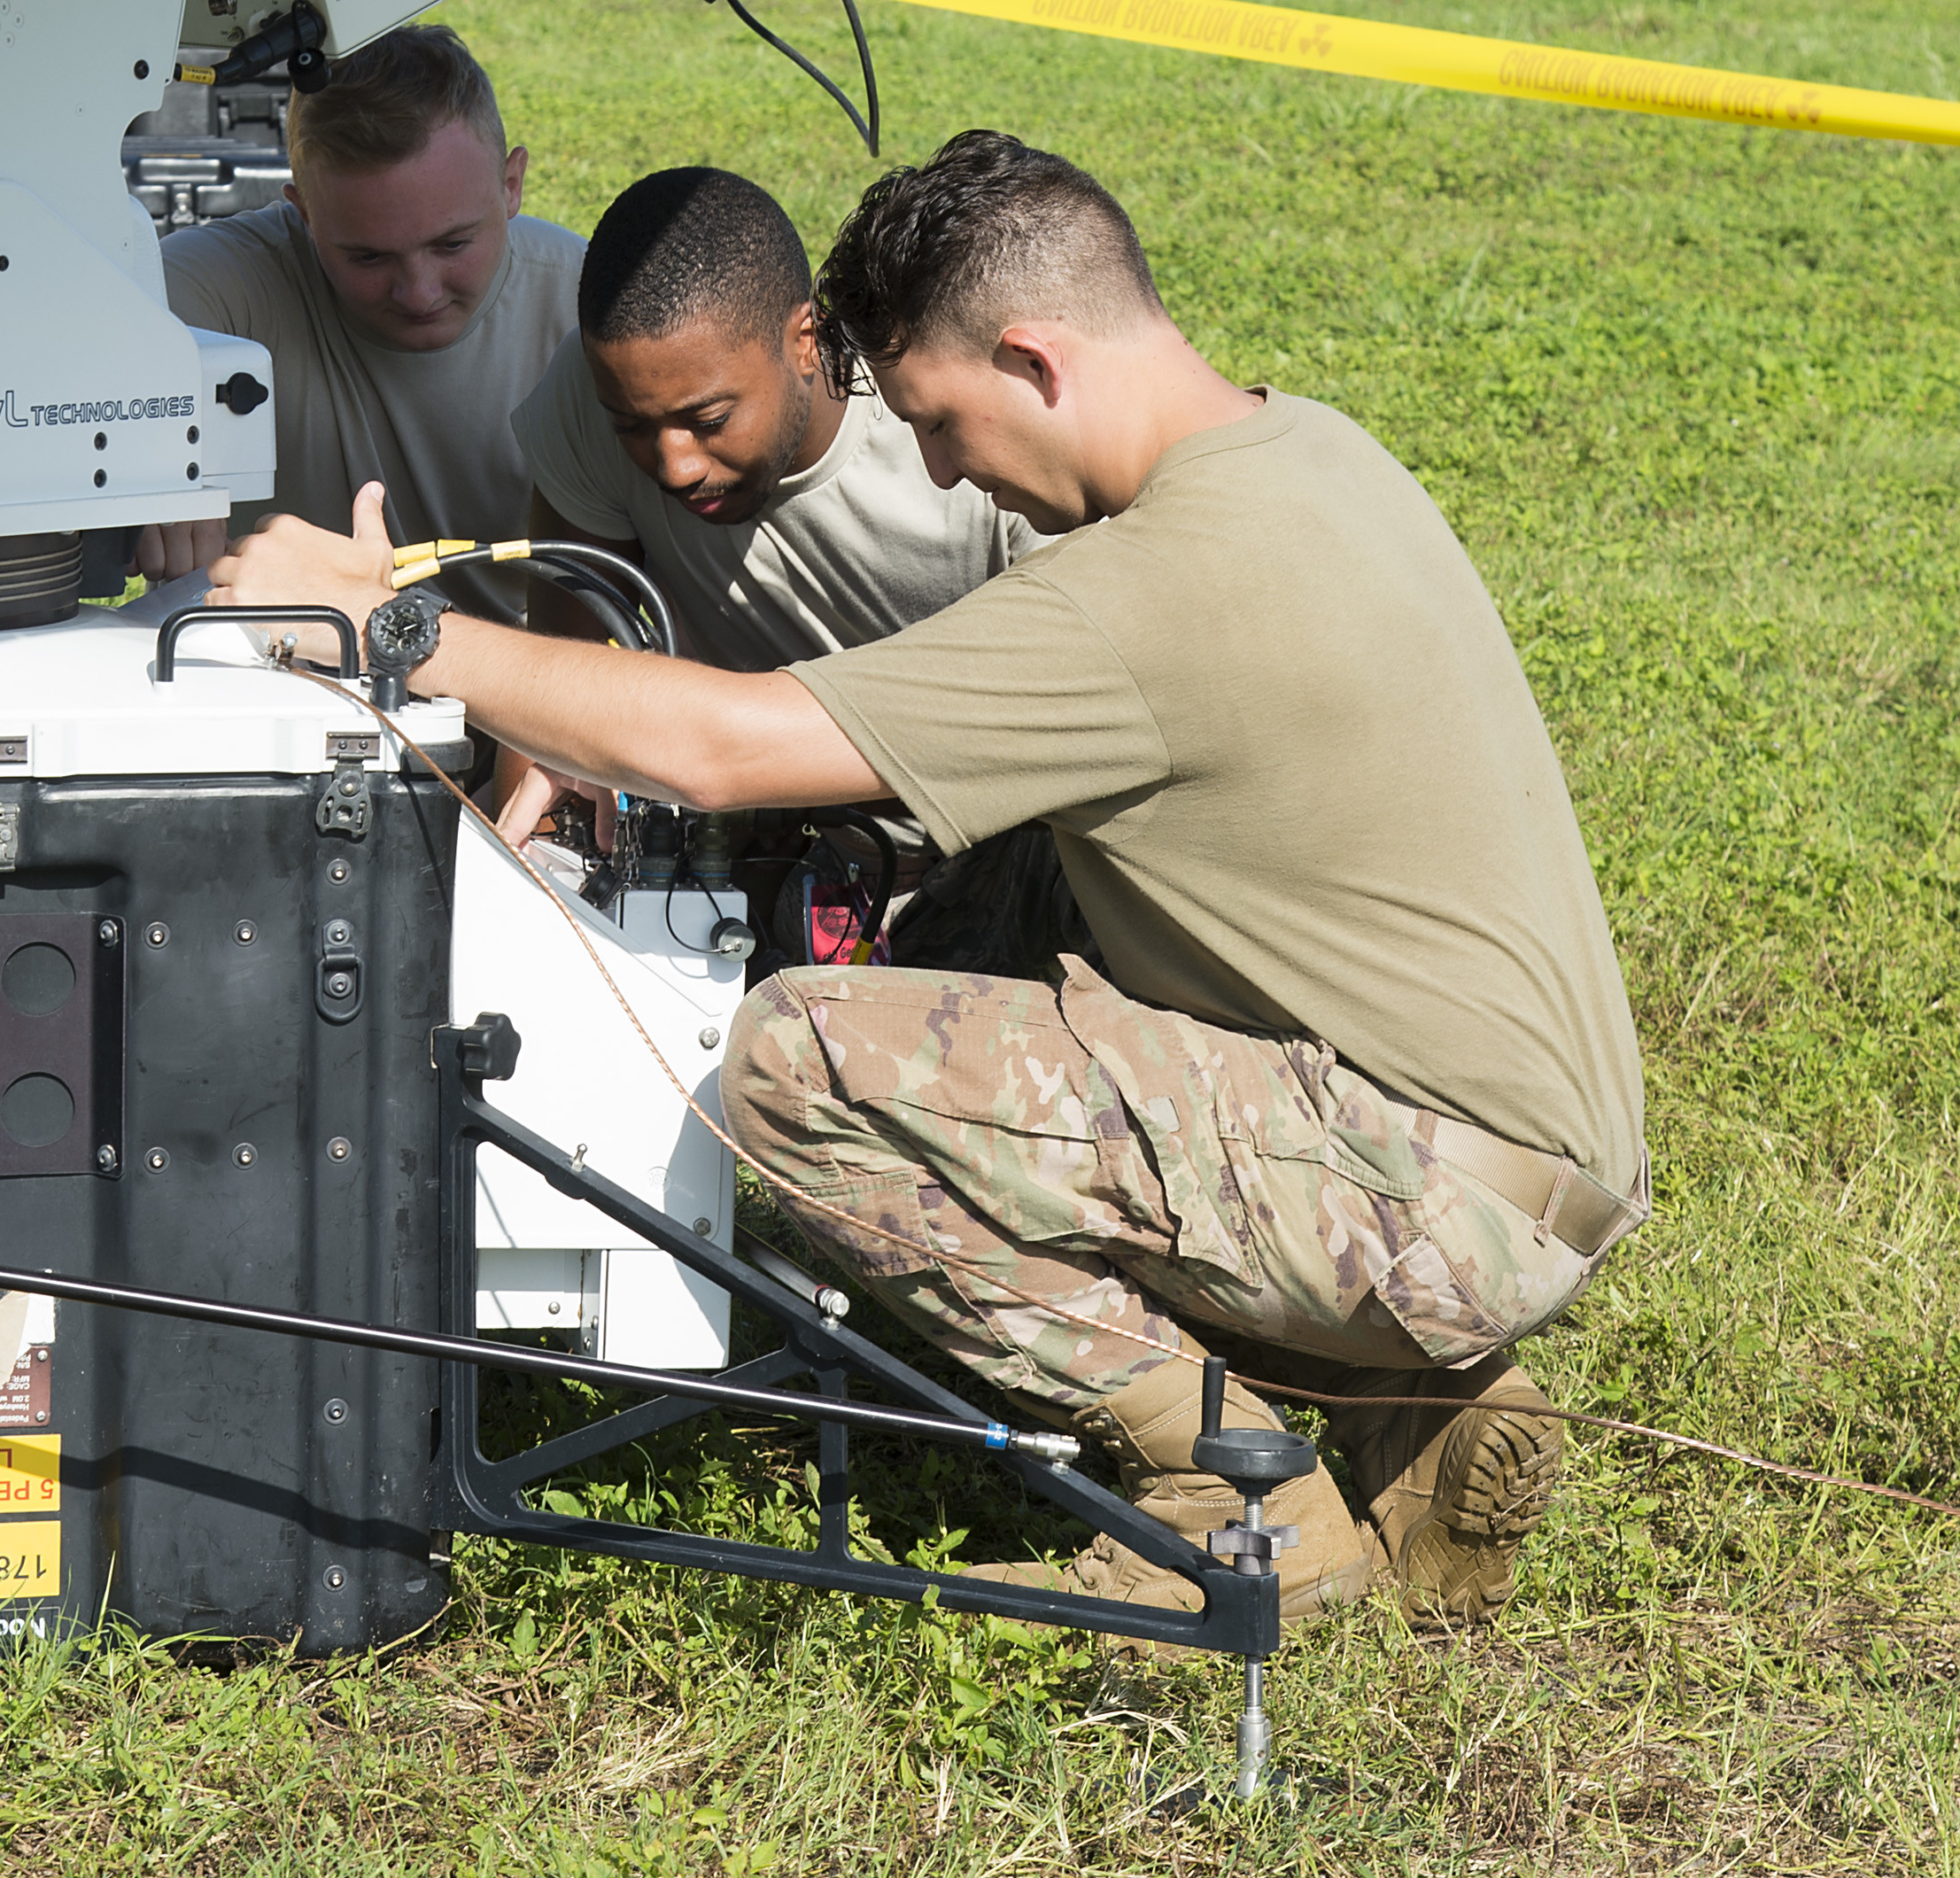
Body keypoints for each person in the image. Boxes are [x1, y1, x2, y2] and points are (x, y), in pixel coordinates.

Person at [205, 130, 1650, 1632]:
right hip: (1510, 1167)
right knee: (981, 921)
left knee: (803, 1063)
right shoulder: (1315, 450)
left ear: (1034, 359)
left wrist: (396, 631)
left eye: (945, 424)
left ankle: (1241, 1486)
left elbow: (720, 748)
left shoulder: (1137, 594)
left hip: (1434, 1204)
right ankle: (1412, 1405)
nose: (947, 469)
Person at [504, 166, 1065, 974]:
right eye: (632, 425)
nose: (673, 464)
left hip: (999, 848)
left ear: (804, 340)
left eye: (708, 420)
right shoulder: (609, 389)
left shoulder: (963, 434)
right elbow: (556, 678)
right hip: (759, 827)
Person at [136, 25, 582, 624]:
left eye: (452, 245)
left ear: (511, 185)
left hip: (501, 687)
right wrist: (151, 455)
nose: (418, 291)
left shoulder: (582, 306)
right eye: (368, 257)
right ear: (303, 213)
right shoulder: (218, 284)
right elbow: (52, 363)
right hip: (256, 687)